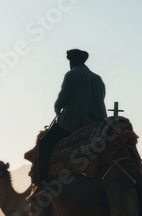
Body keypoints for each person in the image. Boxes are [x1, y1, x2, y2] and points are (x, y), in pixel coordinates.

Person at [34, 49, 107, 186]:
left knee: (44, 144)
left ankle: (43, 184)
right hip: (97, 123)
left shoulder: (71, 74)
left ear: (72, 61)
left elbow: (63, 98)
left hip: (73, 123)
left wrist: (57, 107)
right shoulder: (98, 79)